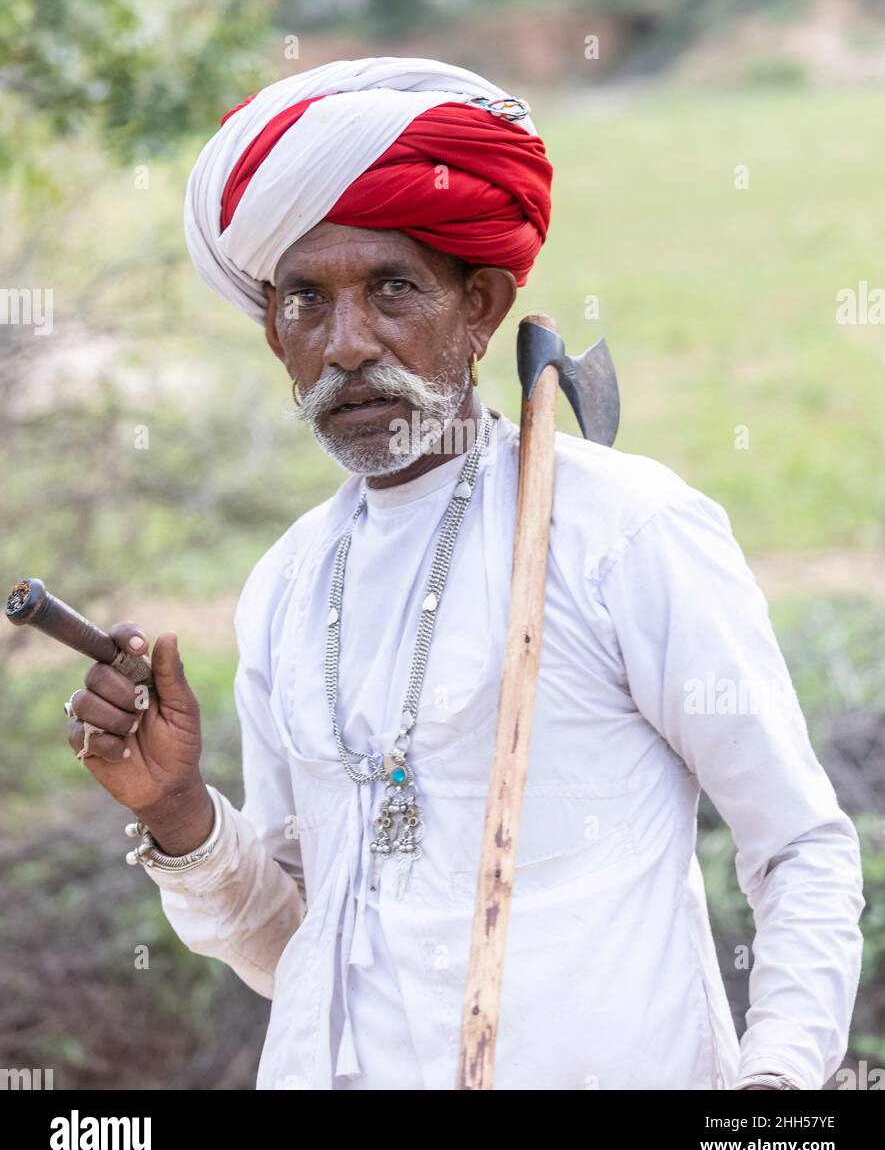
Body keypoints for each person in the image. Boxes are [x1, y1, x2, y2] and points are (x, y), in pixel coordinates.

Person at [64, 57, 864, 1091]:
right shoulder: (287, 585)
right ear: (274, 332)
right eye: (306, 300)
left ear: (480, 304)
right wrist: (178, 812)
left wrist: (776, 1090)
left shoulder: (621, 531)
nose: (347, 345)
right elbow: (294, 952)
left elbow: (800, 846)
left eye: (391, 289)